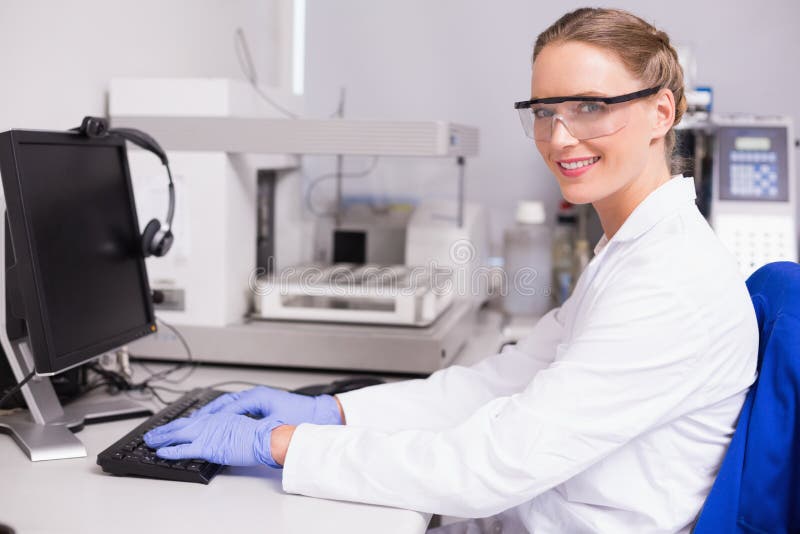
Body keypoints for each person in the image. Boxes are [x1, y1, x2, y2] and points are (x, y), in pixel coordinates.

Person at [144, 8, 758, 533]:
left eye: (591, 106)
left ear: (661, 113)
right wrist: (330, 413)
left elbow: (492, 465)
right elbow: (496, 385)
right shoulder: (631, 252)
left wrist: (275, 445)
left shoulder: (669, 284)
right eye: (544, 111)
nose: (560, 137)